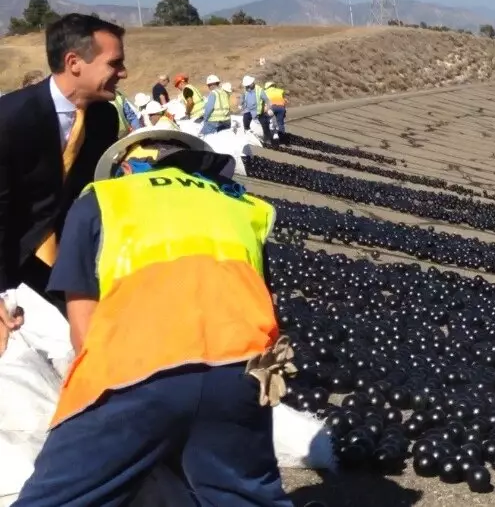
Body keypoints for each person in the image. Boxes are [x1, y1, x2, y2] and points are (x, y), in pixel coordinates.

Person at [11, 126, 294, 506]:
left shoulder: (104, 199)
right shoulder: (243, 206)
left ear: (125, 166)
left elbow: (84, 328)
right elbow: (265, 301)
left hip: (134, 370)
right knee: (239, 494)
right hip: (240, 370)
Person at [0, 13, 125, 356]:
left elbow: (88, 191)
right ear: (74, 63)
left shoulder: (103, 118)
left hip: (67, 255)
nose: (123, 72)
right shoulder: (10, 119)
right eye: (115, 63)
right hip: (11, 256)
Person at [239, 75, 273, 140]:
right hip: (248, 110)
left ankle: (268, 137)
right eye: (247, 86)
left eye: (249, 85)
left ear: (252, 83)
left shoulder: (260, 90)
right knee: (245, 119)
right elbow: (242, 97)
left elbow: (267, 100)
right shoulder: (245, 90)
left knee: (264, 124)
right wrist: (240, 104)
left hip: (258, 111)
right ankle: (247, 131)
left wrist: (268, 108)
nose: (247, 87)